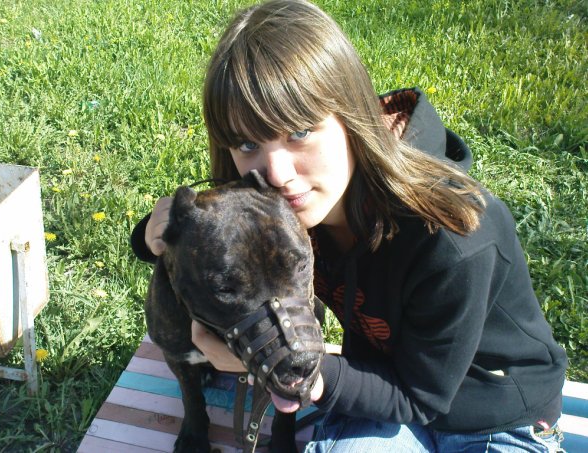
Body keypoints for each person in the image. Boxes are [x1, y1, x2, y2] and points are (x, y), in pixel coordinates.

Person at [130, 1, 568, 451]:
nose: (277, 174)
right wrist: (150, 234)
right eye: (247, 143)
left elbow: (422, 396)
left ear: (351, 116)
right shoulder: (281, 208)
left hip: (498, 416)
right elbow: (214, 233)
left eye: (300, 132)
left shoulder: (455, 241)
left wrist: (287, 369)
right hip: (381, 386)